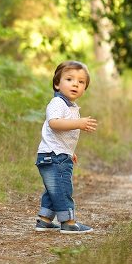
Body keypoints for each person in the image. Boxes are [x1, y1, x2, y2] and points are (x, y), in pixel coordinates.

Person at [34, 60, 97, 234]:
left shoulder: (71, 106)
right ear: (57, 83)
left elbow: (61, 136)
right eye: (69, 79)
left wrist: (70, 151)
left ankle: (45, 219)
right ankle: (68, 222)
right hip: (53, 156)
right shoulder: (57, 104)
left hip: (59, 154)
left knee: (53, 189)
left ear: (85, 88)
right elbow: (54, 124)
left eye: (81, 81)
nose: (75, 84)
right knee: (62, 189)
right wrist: (79, 123)